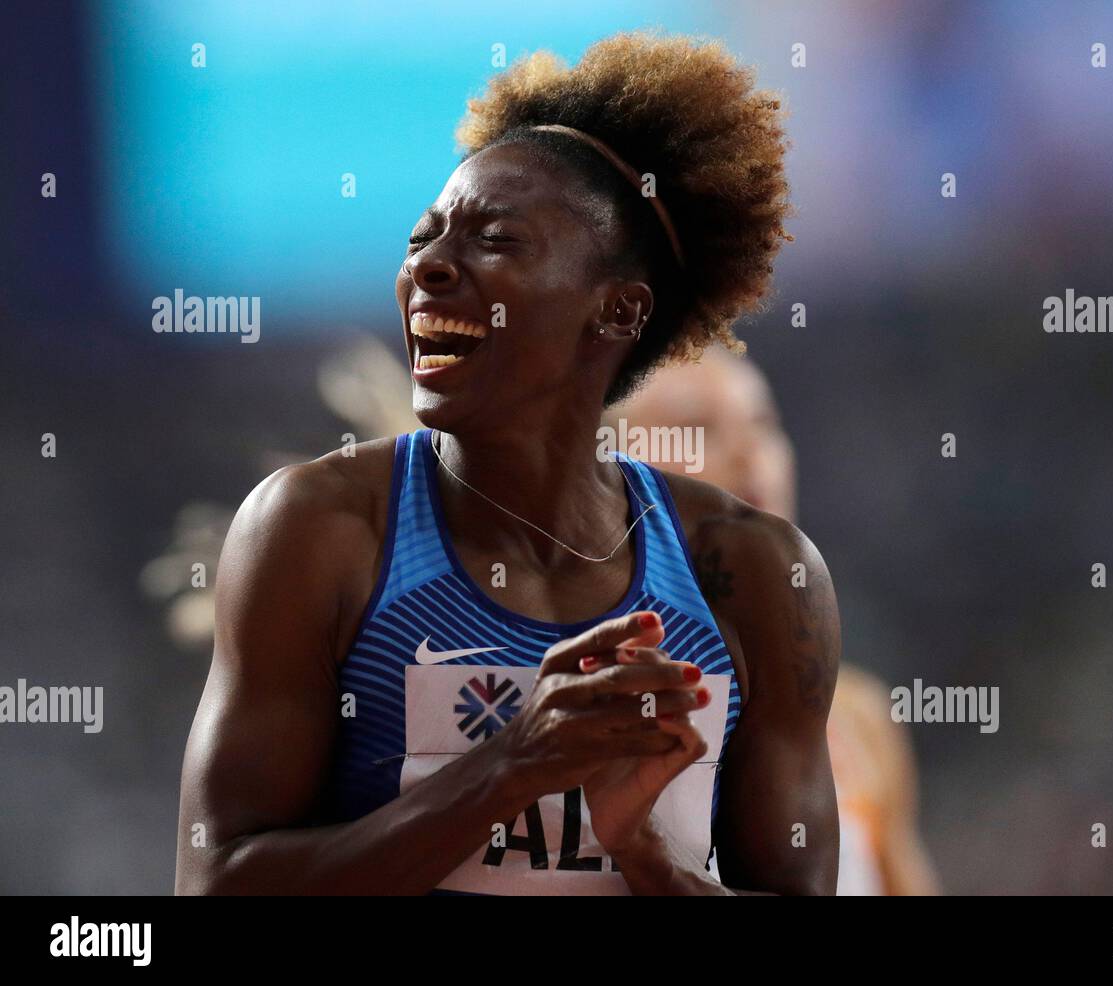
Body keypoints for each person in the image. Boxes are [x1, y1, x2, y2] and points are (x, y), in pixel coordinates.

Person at [175, 30, 841, 895]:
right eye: (424, 236)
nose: (430, 267)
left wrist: (649, 858)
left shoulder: (754, 573)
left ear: (617, 312)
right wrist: (510, 765)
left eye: (494, 238)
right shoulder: (320, 528)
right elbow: (212, 883)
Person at [607, 346, 940, 894]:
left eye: (762, 422)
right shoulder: (573, 700)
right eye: (697, 426)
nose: (747, 452)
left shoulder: (855, 719)